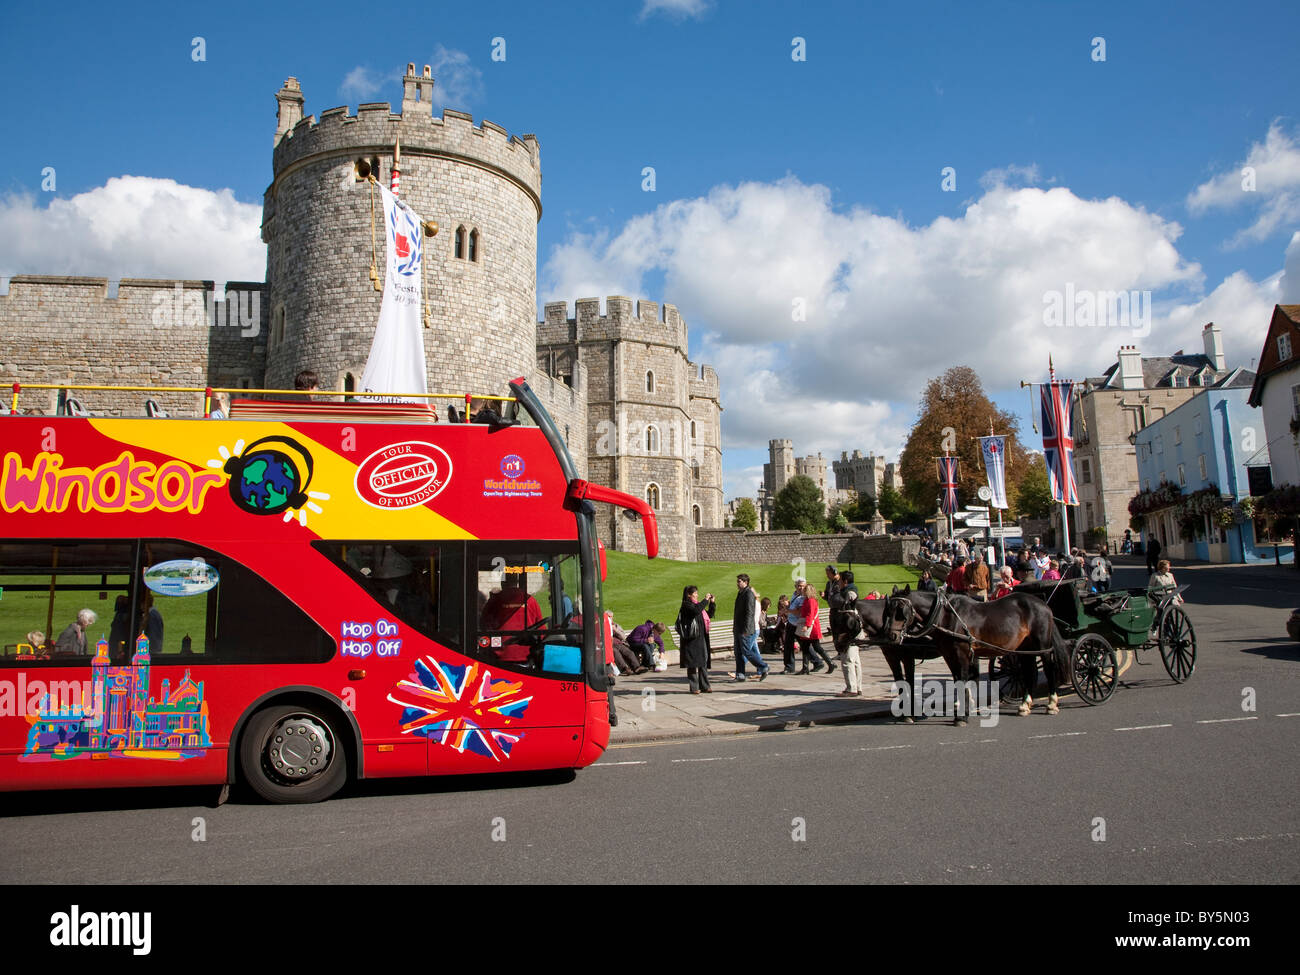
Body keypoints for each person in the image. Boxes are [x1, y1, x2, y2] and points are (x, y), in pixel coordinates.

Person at [480, 569, 544, 664]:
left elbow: (483, 625)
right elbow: (541, 630)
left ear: (502, 582)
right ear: (516, 582)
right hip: (528, 655)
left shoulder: (494, 601)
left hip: (500, 657)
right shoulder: (530, 600)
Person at [676, 586, 714, 694]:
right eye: (695, 593)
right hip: (691, 639)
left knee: (703, 661)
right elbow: (696, 611)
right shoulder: (686, 605)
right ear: (689, 594)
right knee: (692, 663)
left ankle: (705, 686)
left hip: (701, 637)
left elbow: (709, 615)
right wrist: (705, 599)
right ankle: (694, 687)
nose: (697, 595)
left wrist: (712, 603)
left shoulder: (697, 605)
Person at [829, 570, 861, 697]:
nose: (839, 583)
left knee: (847, 660)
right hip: (852, 629)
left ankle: (851, 688)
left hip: (849, 630)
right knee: (855, 660)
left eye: (840, 580)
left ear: (845, 581)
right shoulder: (848, 591)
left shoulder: (850, 592)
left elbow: (844, 606)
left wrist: (836, 595)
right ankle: (857, 687)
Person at [732, 573, 769, 682]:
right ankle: (740, 674)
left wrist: (746, 630)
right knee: (738, 652)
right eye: (737, 581)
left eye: (739, 581)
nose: (737, 583)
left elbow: (749, 613)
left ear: (745, 582)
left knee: (746, 651)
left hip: (745, 629)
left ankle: (763, 666)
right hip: (738, 628)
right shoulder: (741, 593)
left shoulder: (748, 594)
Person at [794, 579, 833, 674]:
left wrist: (807, 626)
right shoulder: (808, 600)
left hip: (812, 628)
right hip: (810, 627)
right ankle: (805, 668)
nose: (802, 591)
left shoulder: (811, 601)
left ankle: (830, 663)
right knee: (806, 648)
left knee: (817, 647)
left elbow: (810, 614)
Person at [776, 594, 798, 673]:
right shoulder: (794, 597)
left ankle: (816, 661)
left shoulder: (796, 600)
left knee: (807, 646)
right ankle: (789, 666)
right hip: (790, 625)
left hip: (796, 624)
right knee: (788, 645)